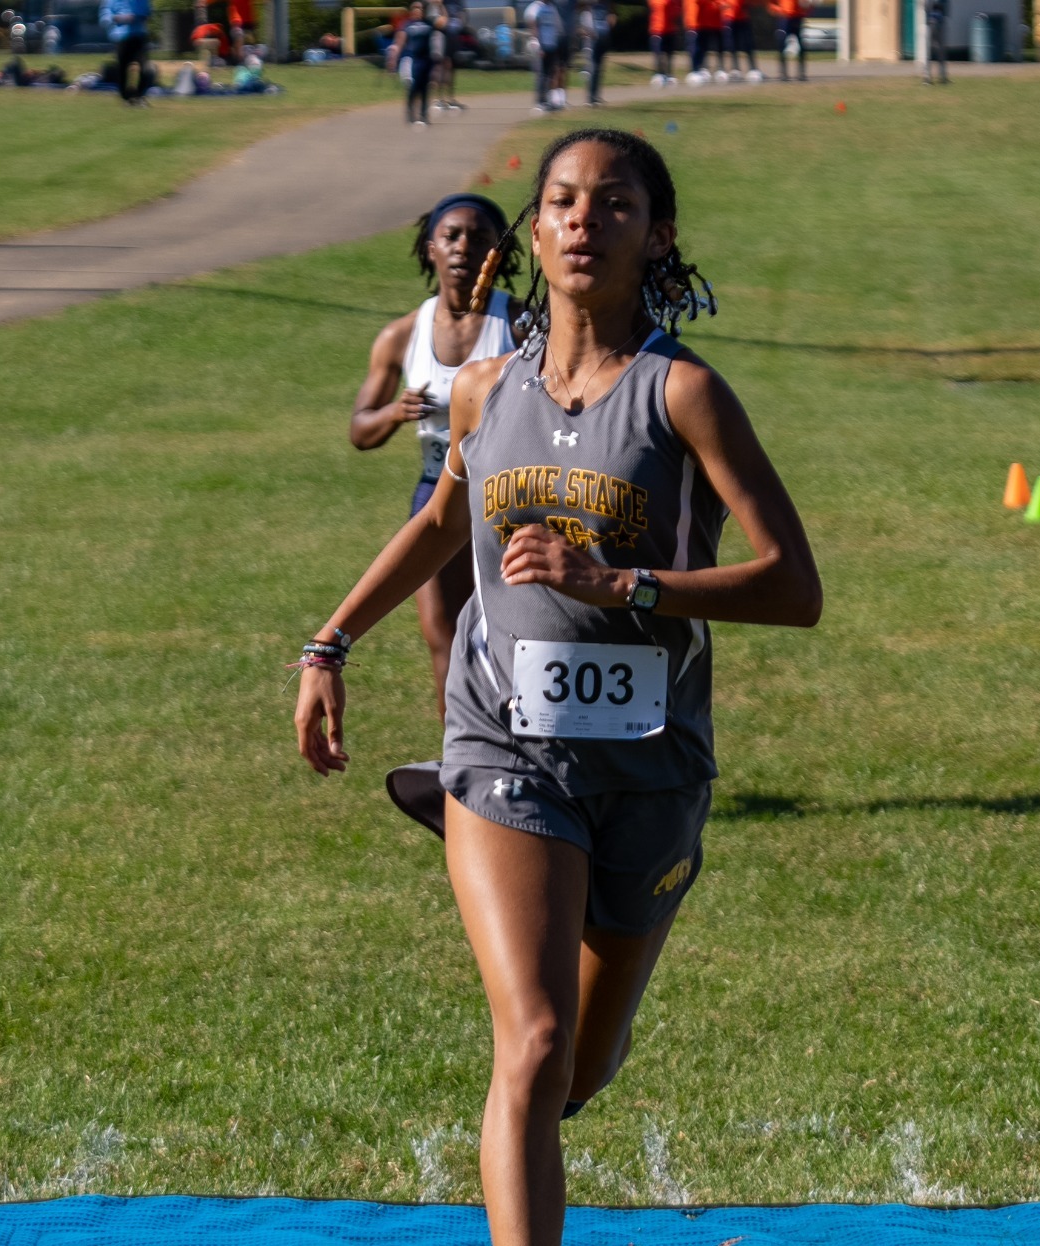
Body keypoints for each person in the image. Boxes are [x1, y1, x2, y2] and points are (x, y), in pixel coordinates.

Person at [296, 128, 820, 1246]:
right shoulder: (483, 392)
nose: (584, 220)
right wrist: (328, 644)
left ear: (656, 233)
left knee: (583, 1059)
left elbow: (793, 587)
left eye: (614, 203)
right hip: (505, 748)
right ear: (532, 231)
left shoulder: (684, 396)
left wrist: (622, 582)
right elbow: (442, 525)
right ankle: (461, 802)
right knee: (528, 1043)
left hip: (649, 765)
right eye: (564, 203)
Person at [350, 194, 523, 714]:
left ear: (500, 251)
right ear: (430, 249)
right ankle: (460, 763)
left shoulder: (520, 324)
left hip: (507, 497)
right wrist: (392, 413)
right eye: (451, 236)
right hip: (437, 493)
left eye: (479, 237)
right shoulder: (402, 335)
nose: (463, 247)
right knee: (442, 634)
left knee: (518, 637)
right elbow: (360, 430)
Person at [101, 0, 153, 103]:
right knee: (122, 68)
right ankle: (125, 96)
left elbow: (147, 12)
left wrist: (136, 16)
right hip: (121, 36)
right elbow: (104, 16)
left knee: (146, 68)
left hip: (139, 36)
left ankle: (139, 95)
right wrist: (117, 18)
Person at [400, 1, 436, 124]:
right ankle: (410, 112)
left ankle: (424, 114)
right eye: (415, 9)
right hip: (414, 60)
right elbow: (402, 39)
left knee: (425, 88)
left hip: (427, 59)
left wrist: (439, 5)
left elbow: (442, 23)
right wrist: (396, 55)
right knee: (414, 87)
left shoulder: (429, 23)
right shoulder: (408, 24)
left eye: (420, 9)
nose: (417, 11)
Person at [525, 0, 563, 110]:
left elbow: (556, 26)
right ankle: (540, 101)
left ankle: (549, 100)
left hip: (552, 44)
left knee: (551, 73)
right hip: (541, 44)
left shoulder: (552, 7)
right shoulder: (535, 7)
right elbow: (533, 25)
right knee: (542, 74)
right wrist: (536, 41)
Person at [436, 0, 469, 110]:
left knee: (452, 66)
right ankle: (440, 98)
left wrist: (461, 26)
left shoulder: (459, 2)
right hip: (443, 33)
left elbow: (462, 15)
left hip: (454, 34)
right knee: (443, 65)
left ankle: (450, 98)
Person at [580, 0, 612, 103]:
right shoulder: (590, 6)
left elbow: (608, 19)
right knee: (593, 67)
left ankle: (596, 96)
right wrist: (589, 32)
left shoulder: (605, 5)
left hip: (603, 37)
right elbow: (585, 20)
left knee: (599, 68)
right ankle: (590, 98)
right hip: (593, 38)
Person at [721, 0, 757, 77]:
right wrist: (722, 3)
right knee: (731, 44)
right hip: (729, 17)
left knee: (748, 42)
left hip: (743, 17)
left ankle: (753, 68)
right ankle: (735, 68)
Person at [771, 0, 805, 80]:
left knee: (800, 45)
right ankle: (783, 73)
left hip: (797, 17)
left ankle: (801, 73)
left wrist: (805, 10)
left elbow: (807, 4)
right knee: (781, 43)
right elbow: (771, 4)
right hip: (784, 18)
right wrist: (778, 10)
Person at [647, 0, 677, 83]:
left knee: (669, 53)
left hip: (670, 29)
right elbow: (657, 5)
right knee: (658, 54)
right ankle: (659, 73)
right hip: (657, 29)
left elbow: (676, 10)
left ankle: (669, 74)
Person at [924, 0, 949, 82]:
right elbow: (927, 7)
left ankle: (942, 77)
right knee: (929, 51)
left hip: (939, 22)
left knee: (941, 51)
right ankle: (927, 77)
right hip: (933, 23)